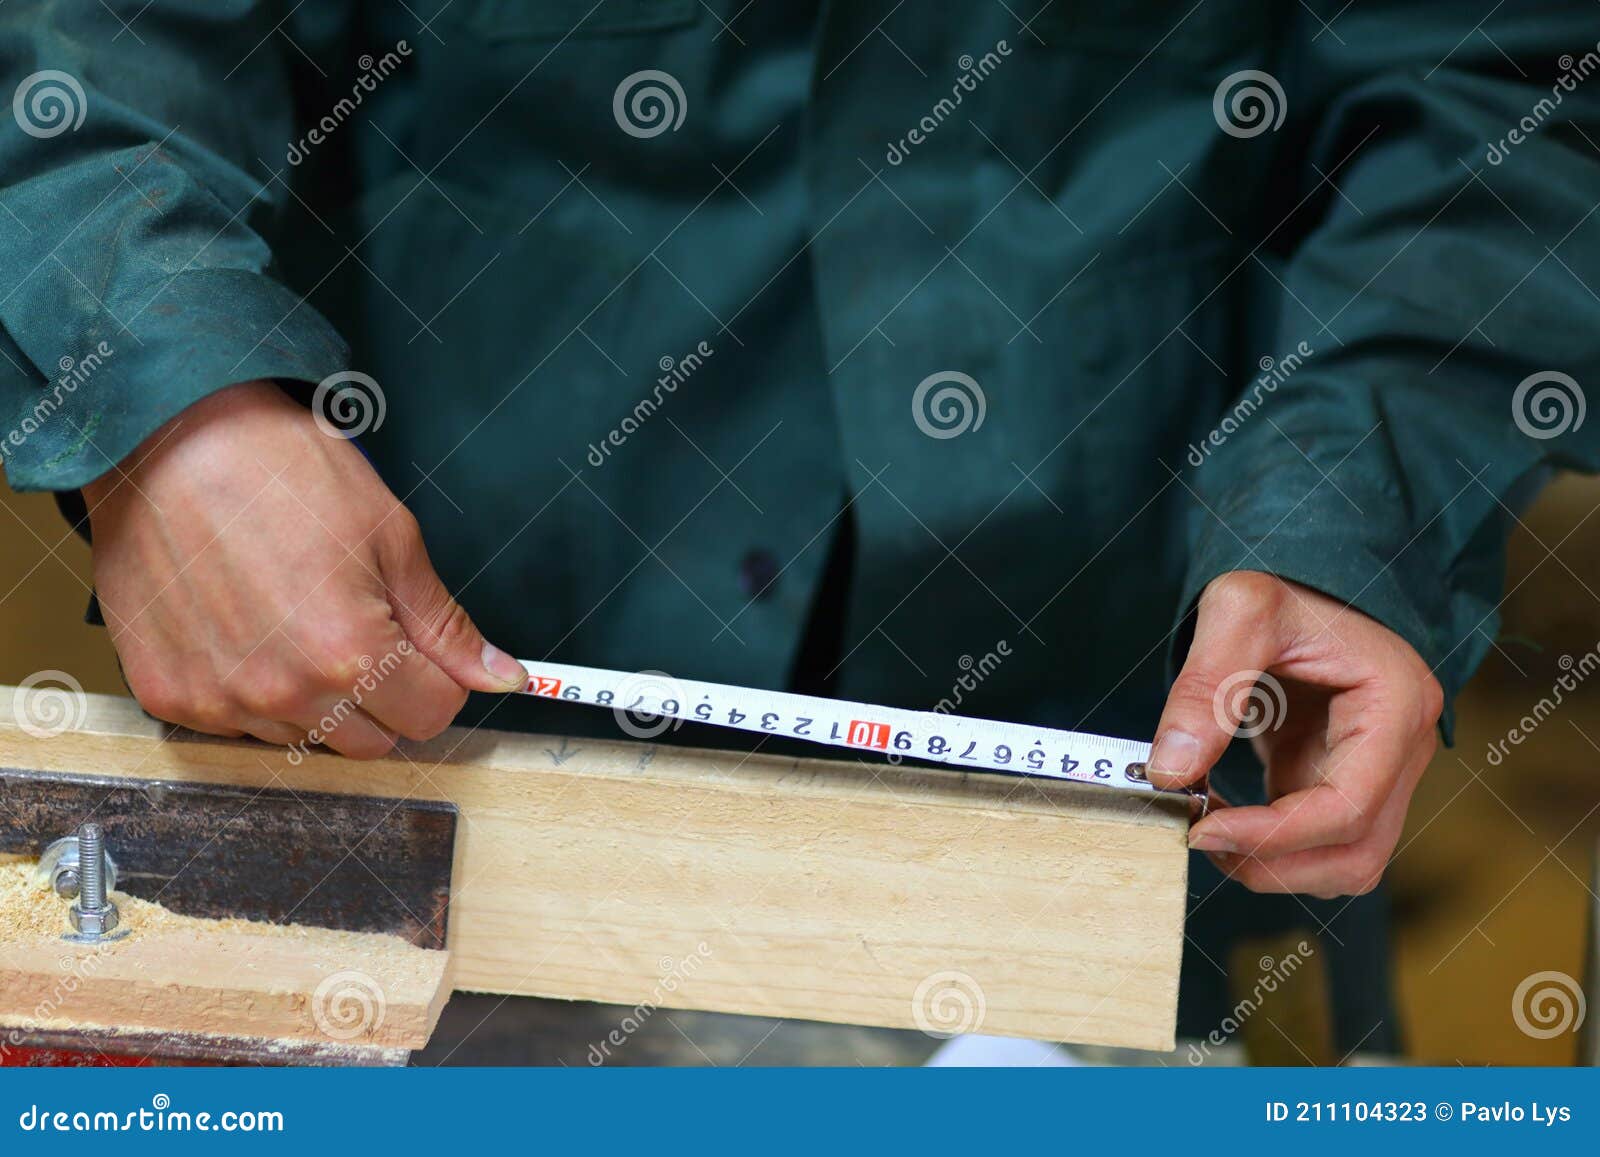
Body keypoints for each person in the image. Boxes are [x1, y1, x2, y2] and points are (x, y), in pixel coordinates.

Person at [3, 3, 1596, 1052]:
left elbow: (1493, 90)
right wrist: (175, 404)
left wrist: (1359, 510)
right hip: (418, 660)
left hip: (1117, 650)